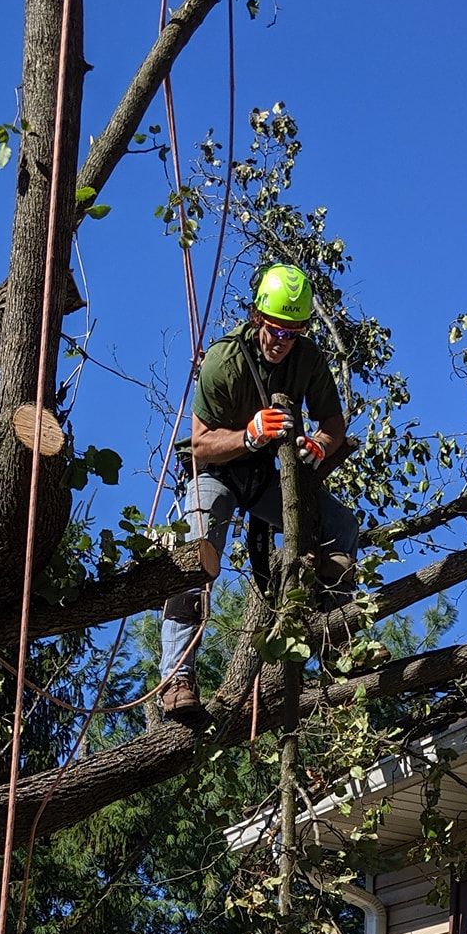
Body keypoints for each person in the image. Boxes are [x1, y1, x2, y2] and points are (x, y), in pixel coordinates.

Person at [158, 263, 359, 716]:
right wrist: (249, 435)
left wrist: (320, 444)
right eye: (275, 330)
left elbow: (333, 422)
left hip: (263, 476)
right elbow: (200, 444)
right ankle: (176, 679)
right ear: (256, 317)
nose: (281, 341)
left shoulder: (307, 360)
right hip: (214, 472)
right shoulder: (224, 361)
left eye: (292, 333)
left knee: (340, 525)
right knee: (196, 556)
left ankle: (336, 643)